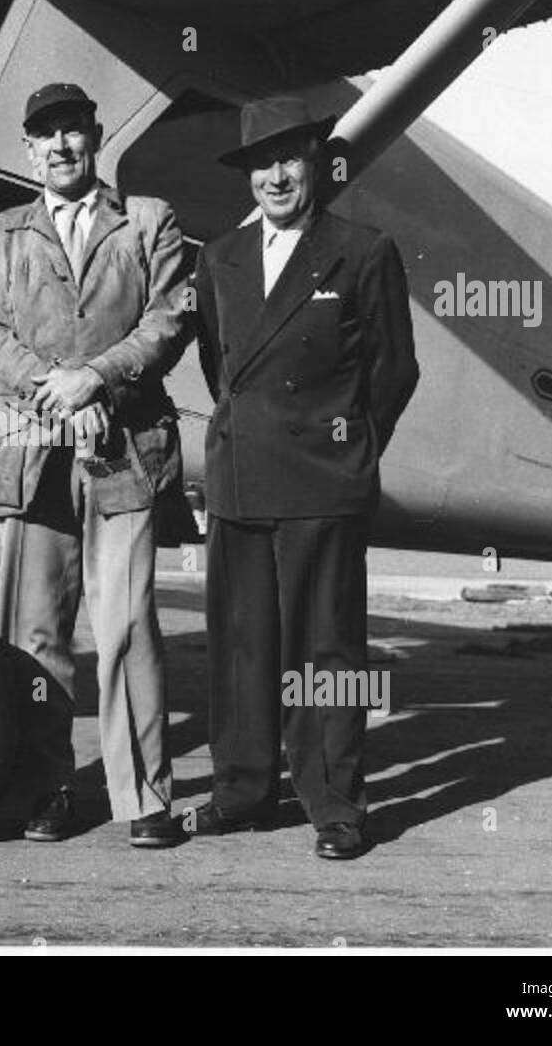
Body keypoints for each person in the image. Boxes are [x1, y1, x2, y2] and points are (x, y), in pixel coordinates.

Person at [189, 95, 419, 858]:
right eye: (262, 163)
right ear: (248, 175)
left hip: (323, 480)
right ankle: (244, 790)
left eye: (290, 158)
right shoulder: (217, 257)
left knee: (328, 651)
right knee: (243, 644)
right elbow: (221, 365)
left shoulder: (362, 250)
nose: (276, 176)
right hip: (242, 479)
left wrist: (345, 444)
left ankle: (336, 805)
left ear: (314, 163)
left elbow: (393, 372)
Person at [0, 82, 190, 848]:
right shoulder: (0, 235)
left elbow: (170, 318)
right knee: (35, 631)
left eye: (72, 131)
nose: (60, 147)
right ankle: (45, 787)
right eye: (45, 137)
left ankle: (145, 797)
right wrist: (57, 390)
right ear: (29, 150)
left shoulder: (149, 221)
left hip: (127, 452)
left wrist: (99, 376)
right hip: (34, 454)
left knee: (126, 623)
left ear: (95, 137)